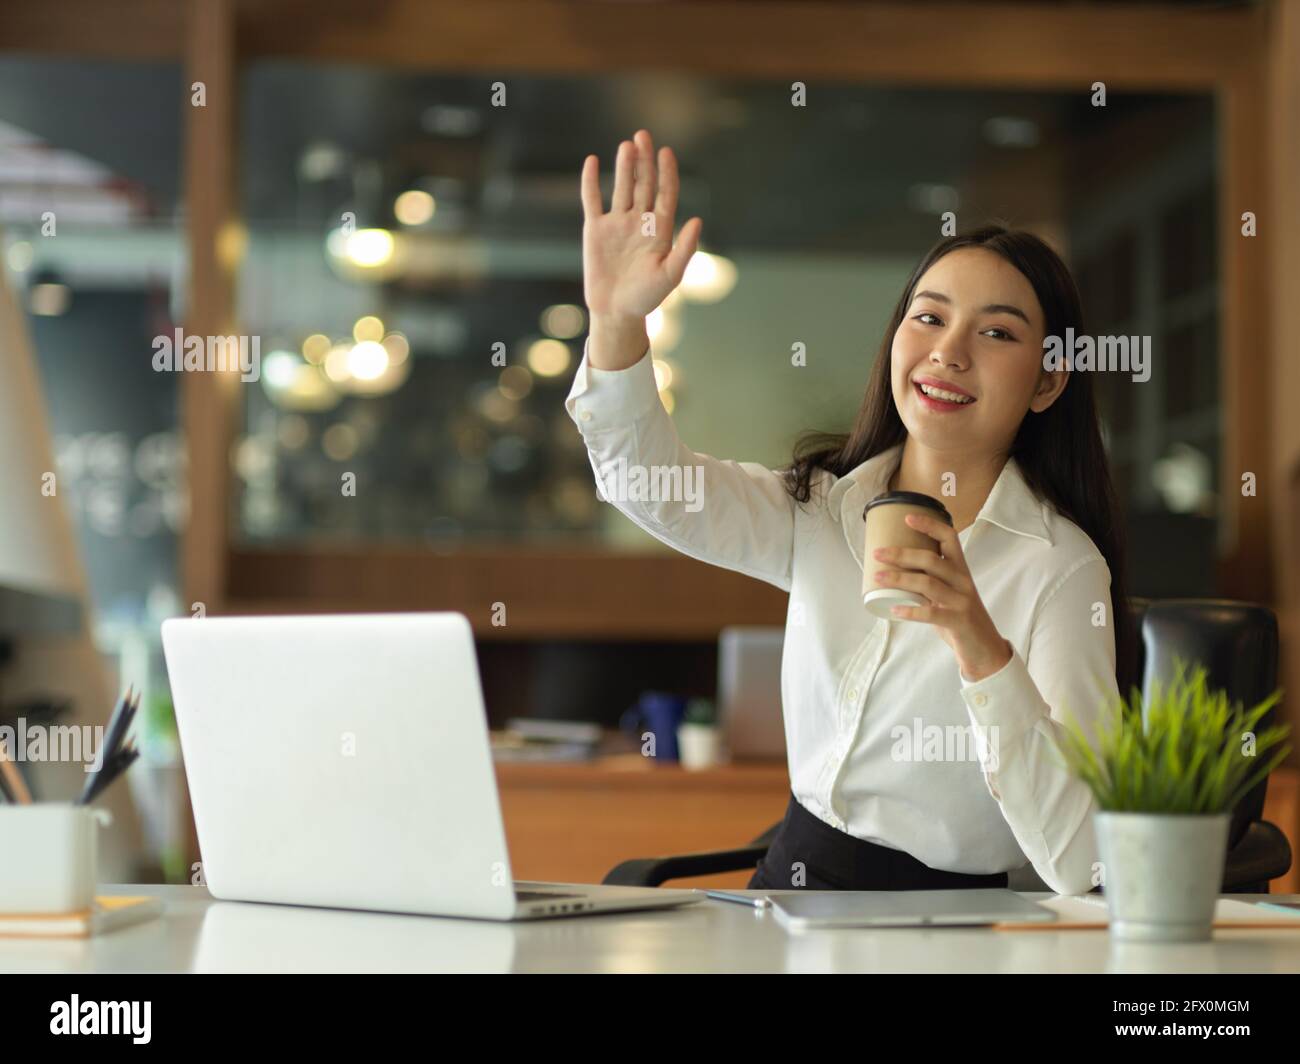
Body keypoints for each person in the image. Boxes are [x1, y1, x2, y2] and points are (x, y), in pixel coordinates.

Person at [566, 129, 1133, 895]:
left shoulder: (1060, 569)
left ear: (1048, 381)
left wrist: (978, 642)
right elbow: (646, 482)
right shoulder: (821, 510)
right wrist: (615, 321)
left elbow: (1082, 859)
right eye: (928, 318)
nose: (948, 352)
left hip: (947, 928)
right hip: (791, 883)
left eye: (997, 332)